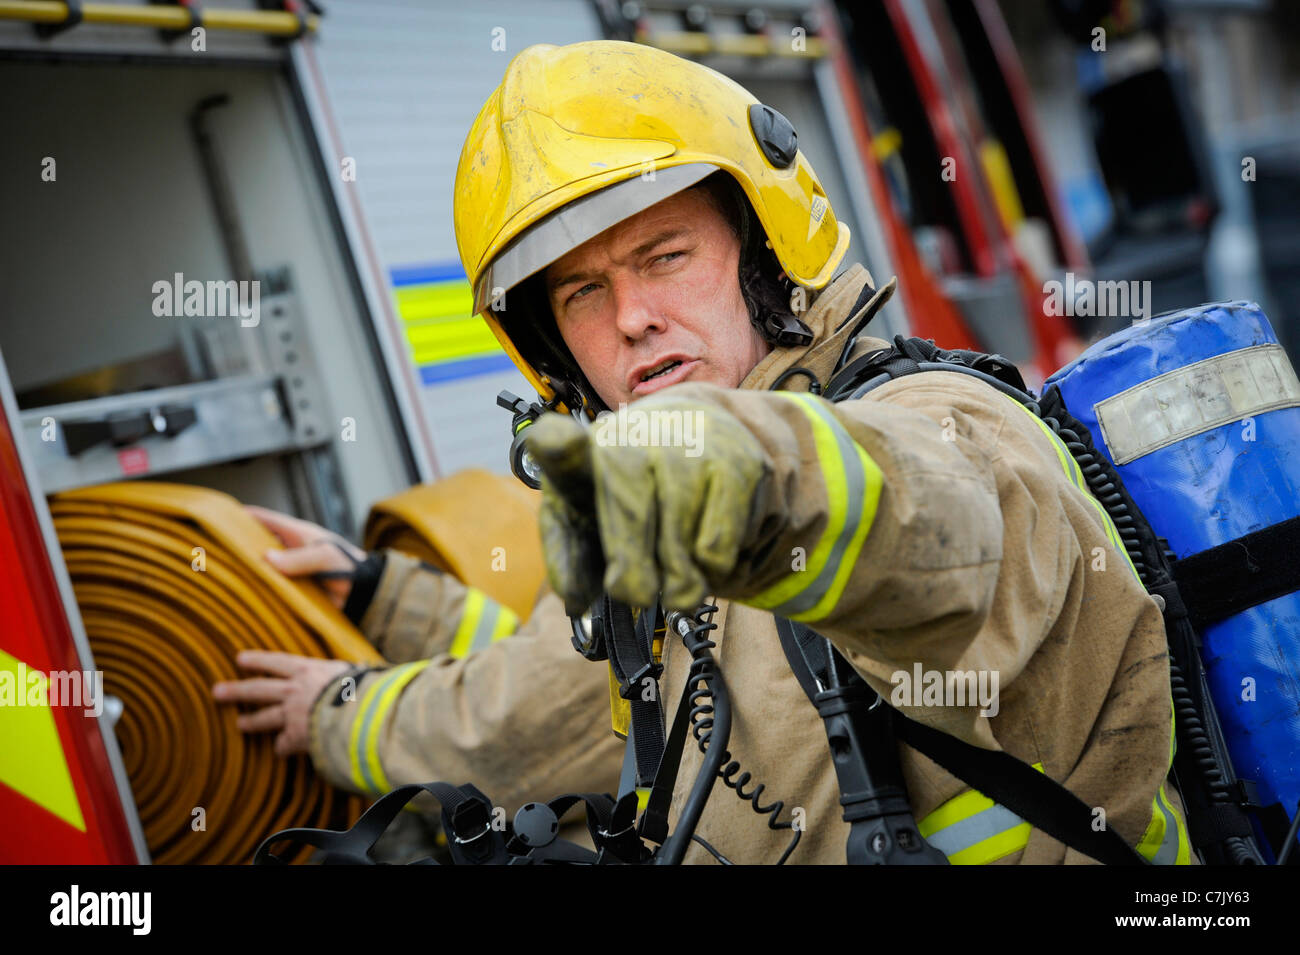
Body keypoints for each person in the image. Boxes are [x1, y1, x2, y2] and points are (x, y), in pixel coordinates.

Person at [441, 38, 1191, 865]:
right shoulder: (646, 534)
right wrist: (365, 613)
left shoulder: (939, 416)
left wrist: (749, 480)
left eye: (666, 256)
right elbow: (529, 703)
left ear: (766, 252)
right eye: (584, 292)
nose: (630, 318)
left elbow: (946, 530)